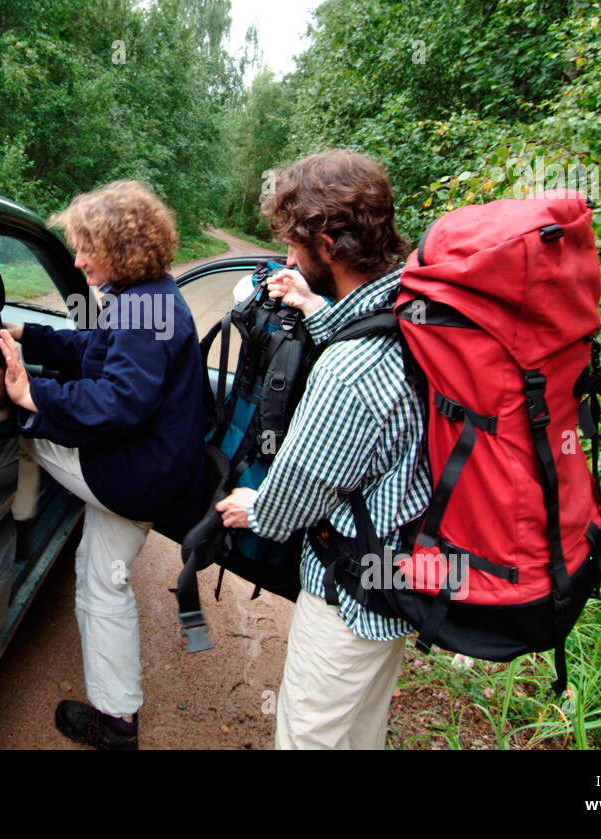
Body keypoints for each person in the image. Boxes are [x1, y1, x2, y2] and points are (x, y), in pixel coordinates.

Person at [216, 149, 432, 750]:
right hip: (396, 571)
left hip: (349, 593)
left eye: (294, 243)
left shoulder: (349, 368)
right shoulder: (408, 305)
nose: (287, 257)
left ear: (329, 246)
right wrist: (316, 311)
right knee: (361, 732)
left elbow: (308, 478)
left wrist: (253, 508)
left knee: (308, 737)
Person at [0, 180, 205, 750]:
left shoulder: (143, 309)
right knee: (101, 576)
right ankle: (117, 722)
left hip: (132, 474)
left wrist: (28, 394)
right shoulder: (150, 295)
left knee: (19, 427)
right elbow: (91, 352)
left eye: (87, 246)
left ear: (123, 247)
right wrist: (24, 333)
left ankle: (13, 528)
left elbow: (116, 402)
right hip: (157, 470)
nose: (79, 258)